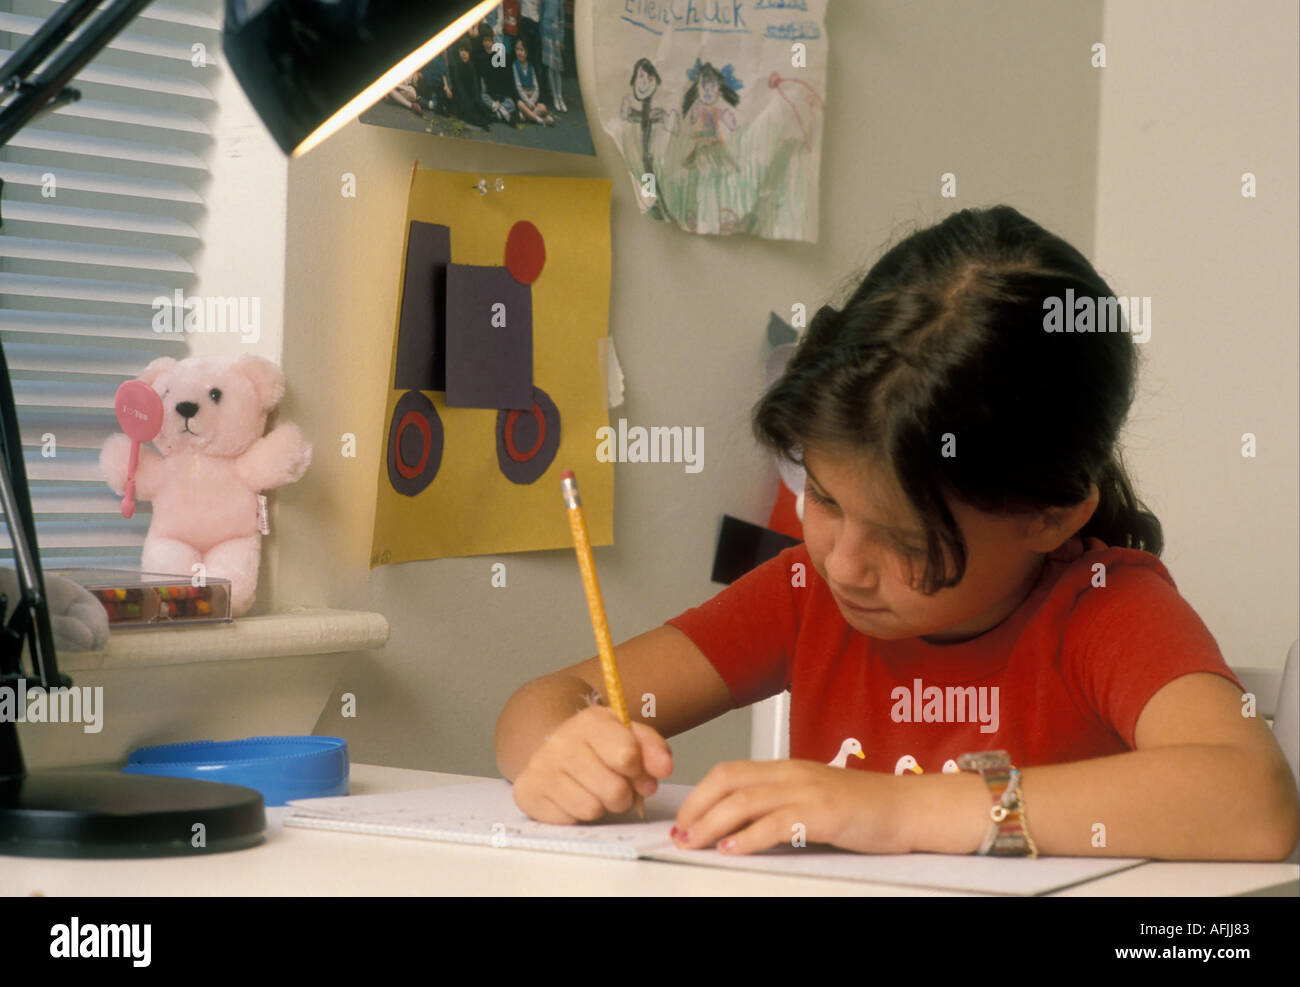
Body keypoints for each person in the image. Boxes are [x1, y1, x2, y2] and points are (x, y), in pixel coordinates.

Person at [495, 205, 1300, 861]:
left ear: (1050, 514)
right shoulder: (805, 594)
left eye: (909, 543)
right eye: (821, 495)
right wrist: (562, 756)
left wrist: (903, 807)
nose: (843, 563)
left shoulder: (1103, 607)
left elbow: (1254, 802)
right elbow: (544, 703)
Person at [511, 38, 554, 125]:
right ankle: (540, 120)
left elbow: (536, 87)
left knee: (543, 108)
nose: (519, 52)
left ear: (526, 52)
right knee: (520, 104)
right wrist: (528, 102)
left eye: (521, 50)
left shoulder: (531, 66)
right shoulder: (515, 65)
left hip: (533, 100)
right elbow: (518, 87)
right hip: (524, 99)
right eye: (517, 49)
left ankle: (529, 117)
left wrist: (532, 101)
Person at [478, 28, 516, 124]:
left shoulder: (498, 57)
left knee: (511, 103)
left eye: (489, 41)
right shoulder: (481, 58)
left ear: (493, 42)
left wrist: (499, 99)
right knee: (482, 98)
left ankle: (497, 114)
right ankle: (503, 112)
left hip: (499, 93)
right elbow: (483, 81)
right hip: (488, 93)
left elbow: (501, 79)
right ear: (482, 42)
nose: (487, 43)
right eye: (485, 41)